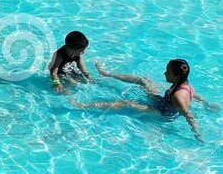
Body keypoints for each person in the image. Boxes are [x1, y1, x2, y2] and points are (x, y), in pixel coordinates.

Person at [77, 57, 212, 139]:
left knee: (126, 103)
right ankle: (106, 74)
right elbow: (194, 94)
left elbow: (188, 115)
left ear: (176, 76)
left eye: (168, 72)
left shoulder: (178, 96)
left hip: (163, 113)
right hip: (164, 102)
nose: (164, 73)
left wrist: (197, 134)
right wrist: (206, 102)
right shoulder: (185, 84)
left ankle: (84, 106)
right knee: (144, 80)